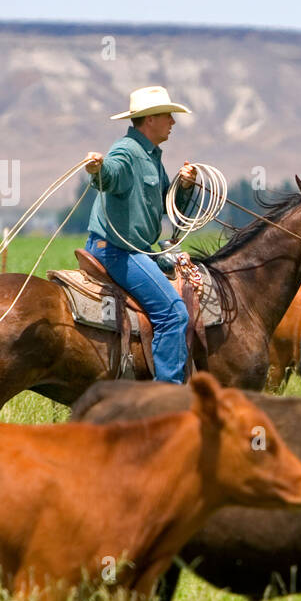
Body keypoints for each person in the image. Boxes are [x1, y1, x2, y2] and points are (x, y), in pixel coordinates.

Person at [83, 86, 199, 383]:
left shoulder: (150, 156)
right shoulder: (127, 151)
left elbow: (164, 206)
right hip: (117, 251)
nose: (173, 122)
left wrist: (182, 186)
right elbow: (111, 173)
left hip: (134, 249)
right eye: (167, 116)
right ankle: (167, 396)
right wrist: (99, 168)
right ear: (150, 120)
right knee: (174, 315)